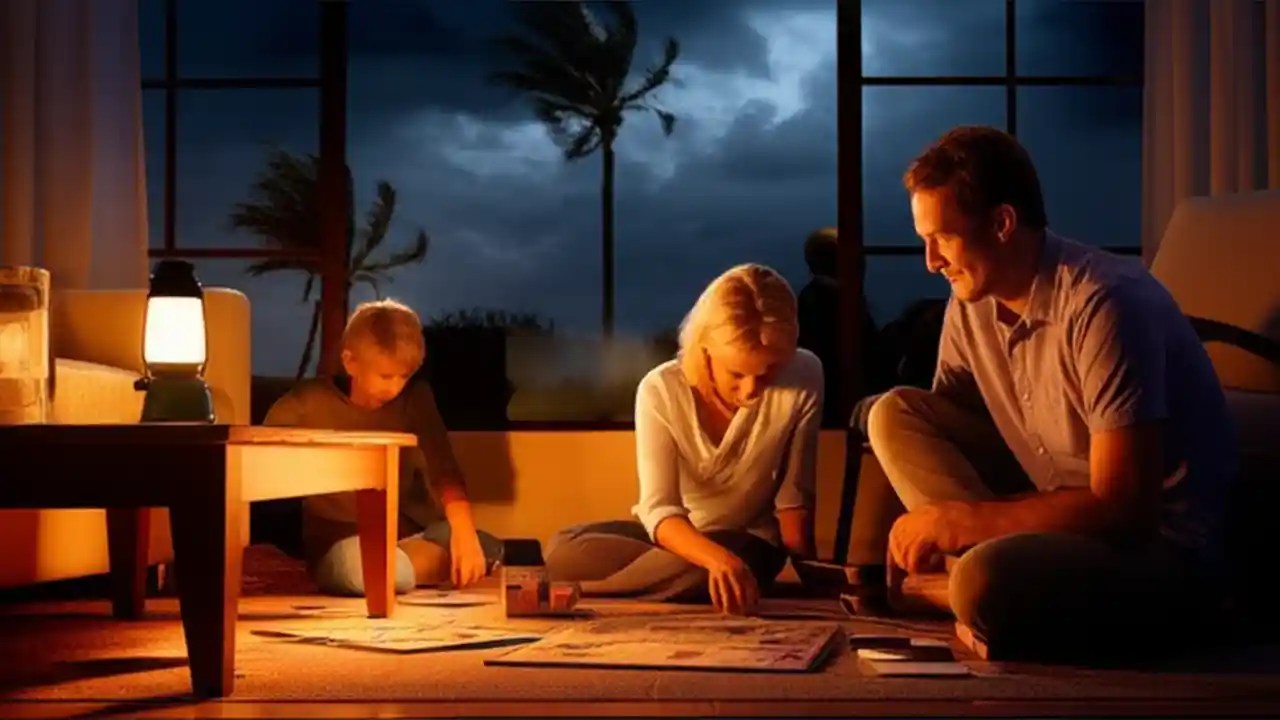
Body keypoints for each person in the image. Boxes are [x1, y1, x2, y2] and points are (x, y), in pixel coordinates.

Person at [865, 125, 1237, 658]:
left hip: (1152, 549)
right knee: (894, 412)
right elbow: (950, 441)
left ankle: (966, 590)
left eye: (942, 238)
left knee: (981, 581)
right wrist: (937, 520)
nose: (931, 261)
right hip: (1050, 514)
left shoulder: (1105, 302)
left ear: (1001, 223)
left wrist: (964, 522)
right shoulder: (969, 304)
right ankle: (972, 588)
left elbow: (1123, 508)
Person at [545, 263, 824, 615]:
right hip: (682, 540)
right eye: (736, 373)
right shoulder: (660, 390)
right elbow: (659, 508)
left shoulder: (805, 374)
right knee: (563, 548)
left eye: (768, 370)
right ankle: (689, 576)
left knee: (741, 558)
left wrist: (813, 580)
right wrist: (712, 559)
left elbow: (793, 499)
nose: (752, 389)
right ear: (705, 350)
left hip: (748, 542)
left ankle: (600, 590)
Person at [265, 299, 504, 597]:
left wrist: (465, 535)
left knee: (479, 543)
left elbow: (444, 469)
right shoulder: (306, 403)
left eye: (403, 376)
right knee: (369, 573)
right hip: (342, 542)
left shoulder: (414, 397)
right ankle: (419, 561)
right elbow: (262, 456)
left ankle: (418, 556)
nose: (394, 388)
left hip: (409, 532)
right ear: (351, 362)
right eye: (385, 376)